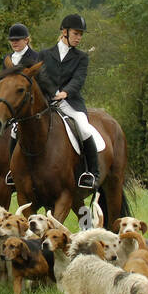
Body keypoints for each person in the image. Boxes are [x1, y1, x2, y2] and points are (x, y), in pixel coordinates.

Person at [39, 14, 101, 190]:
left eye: (81, 34)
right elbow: (40, 75)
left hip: (71, 103)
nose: (79, 38)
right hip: (47, 102)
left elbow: (79, 79)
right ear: (64, 32)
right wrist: (53, 92)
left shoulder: (82, 57)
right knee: (18, 127)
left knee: (83, 127)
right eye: (76, 33)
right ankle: (13, 171)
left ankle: (91, 173)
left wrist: (65, 92)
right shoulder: (44, 54)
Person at [0, 23, 43, 187]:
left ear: (26, 40)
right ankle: (13, 171)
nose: (14, 42)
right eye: (12, 40)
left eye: (18, 40)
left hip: (34, 107)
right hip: (15, 107)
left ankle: (89, 171)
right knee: (13, 133)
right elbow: (2, 83)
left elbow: (43, 83)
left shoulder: (36, 58)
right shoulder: (8, 59)